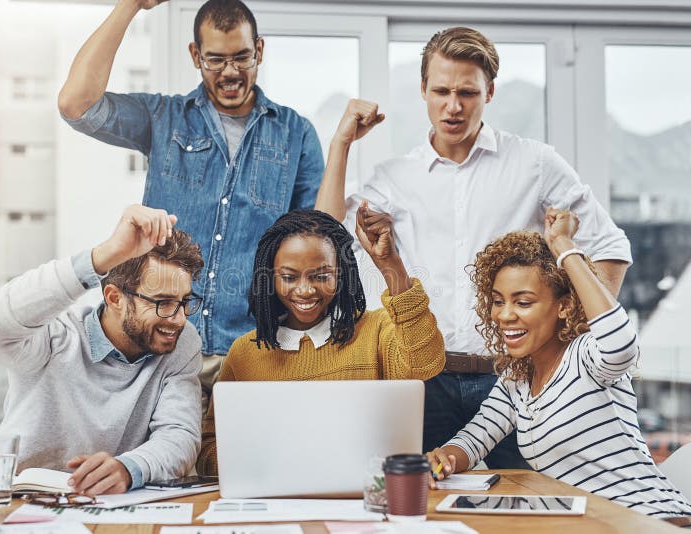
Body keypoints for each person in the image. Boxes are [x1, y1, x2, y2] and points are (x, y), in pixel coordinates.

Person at [315, 26, 632, 468]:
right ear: (423, 89)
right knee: (419, 503)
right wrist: (341, 143)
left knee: (524, 504)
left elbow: (611, 246)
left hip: (512, 377)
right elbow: (324, 240)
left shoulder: (534, 164)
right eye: (441, 90)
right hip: (425, 378)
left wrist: (571, 341)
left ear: (490, 92)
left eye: (467, 92)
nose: (453, 106)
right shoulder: (395, 177)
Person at [58, 0, 325, 416]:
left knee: (240, 475)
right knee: (165, 469)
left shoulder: (296, 133)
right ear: (195, 56)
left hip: (250, 350)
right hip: (164, 344)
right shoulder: (164, 118)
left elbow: (316, 237)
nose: (231, 72)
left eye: (241, 57)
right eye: (215, 60)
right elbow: (76, 104)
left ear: (260, 50)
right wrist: (130, 6)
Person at [427, 208, 691, 524]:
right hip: (590, 523)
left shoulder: (588, 357)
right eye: (499, 301)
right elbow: (474, 439)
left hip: (648, 521)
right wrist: (445, 458)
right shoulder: (517, 381)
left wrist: (564, 246)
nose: (504, 315)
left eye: (523, 302)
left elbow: (621, 343)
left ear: (564, 306)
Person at [0, 205, 203, 495]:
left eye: (184, 301)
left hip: (109, 510)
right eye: (163, 303)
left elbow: (179, 434)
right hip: (22, 502)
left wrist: (129, 468)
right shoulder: (54, 336)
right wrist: (100, 258)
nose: (179, 318)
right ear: (115, 298)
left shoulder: (182, 341)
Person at [196, 207, 446, 475]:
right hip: (276, 499)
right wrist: (275, 463)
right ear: (270, 277)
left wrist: (389, 264)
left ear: (341, 274)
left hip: (362, 499)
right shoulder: (245, 352)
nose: (305, 290)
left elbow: (425, 363)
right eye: (289, 277)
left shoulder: (375, 330)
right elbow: (210, 452)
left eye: (321, 276)